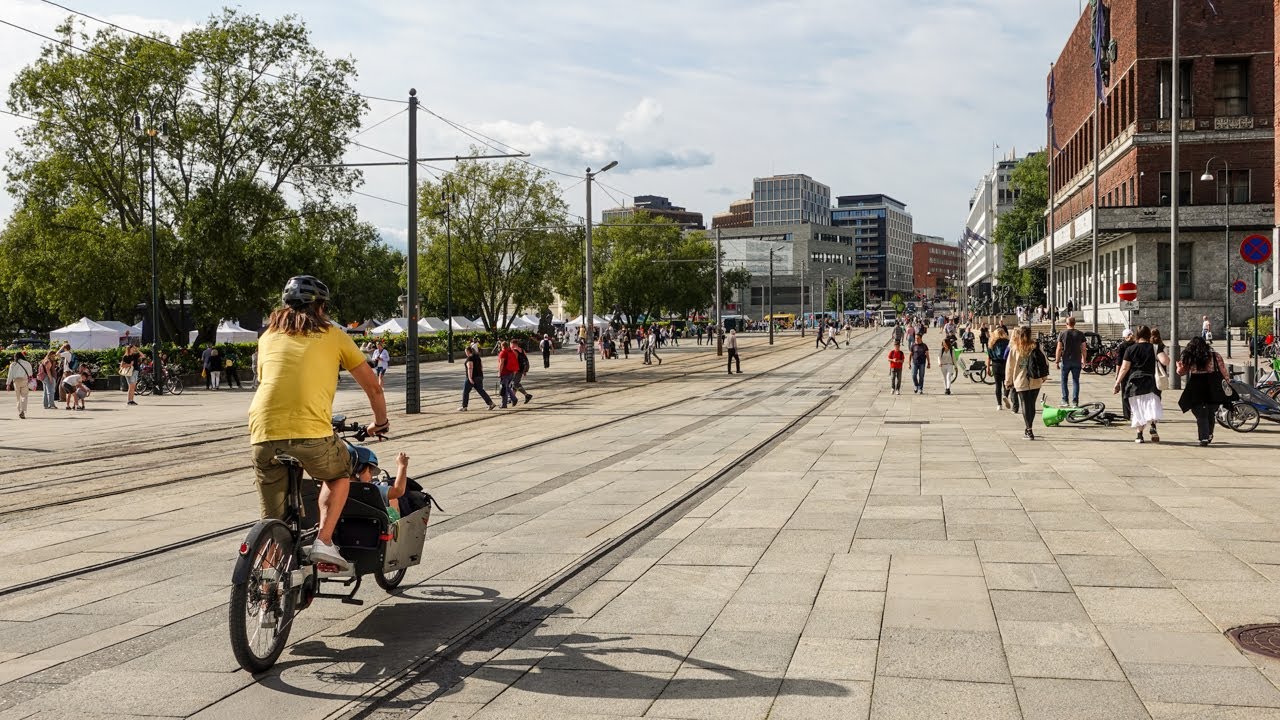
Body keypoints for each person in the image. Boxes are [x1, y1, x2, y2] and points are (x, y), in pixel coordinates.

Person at [248, 275, 389, 571]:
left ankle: (265, 587)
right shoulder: (333, 335)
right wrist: (381, 422)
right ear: (320, 308)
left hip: (262, 432)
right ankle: (324, 540)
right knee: (339, 473)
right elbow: (373, 387)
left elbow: (271, 382)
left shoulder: (267, 337)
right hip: (310, 432)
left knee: (273, 523)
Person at [1113, 325, 1167, 444]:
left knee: (1138, 408)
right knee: (1152, 404)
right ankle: (1153, 425)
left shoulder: (1131, 349)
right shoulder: (1155, 348)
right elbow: (1165, 361)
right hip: (1151, 381)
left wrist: (1117, 383)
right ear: (1149, 335)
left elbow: (1124, 368)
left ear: (1137, 335)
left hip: (1135, 382)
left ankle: (1139, 435)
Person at [1176, 336, 1231, 446]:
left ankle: (1204, 437)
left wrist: (1179, 367)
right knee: (1210, 411)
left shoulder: (1190, 356)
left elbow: (1181, 372)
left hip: (1196, 385)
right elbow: (1223, 371)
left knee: (1200, 412)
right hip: (1212, 385)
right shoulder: (1215, 356)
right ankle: (1208, 434)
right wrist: (1227, 384)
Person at [1005, 325, 1047, 440]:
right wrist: (1044, 375)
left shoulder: (1015, 348)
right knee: (1031, 404)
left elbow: (1010, 366)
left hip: (1020, 380)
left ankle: (1028, 430)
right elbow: (1045, 361)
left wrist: (1008, 381)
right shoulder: (1036, 346)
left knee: (1024, 404)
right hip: (1035, 379)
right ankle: (1029, 427)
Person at [349, 446, 409, 522]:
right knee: (393, 500)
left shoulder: (337, 487)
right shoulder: (369, 490)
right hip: (370, 529)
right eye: (370, 471)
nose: (371, 476)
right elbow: (398, 490)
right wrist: (402, 466)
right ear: (359, 468)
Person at [1055, 316, 1088, 407]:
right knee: (1075, 381)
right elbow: (1084, 349)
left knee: (1064, 380)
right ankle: (1075, 401)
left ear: (1066, 324)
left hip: (1065, 360)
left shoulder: (1062, 334)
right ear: (1074, 323)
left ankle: (1065, 400)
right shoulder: (1080, 334)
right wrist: (1084, 360)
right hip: (1076, 360)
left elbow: (1059, 348)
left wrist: (1057, 361)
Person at [460, 345, 495, 411]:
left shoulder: (470, 358)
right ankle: (491, 403)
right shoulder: (478, 357)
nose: (465, 353)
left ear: (468, 351)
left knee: (465, 392)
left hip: (472, 377)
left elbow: (470, 367)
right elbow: (481, 367)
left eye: (466, 352)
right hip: (479, 376)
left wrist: (470, 378)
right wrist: (481, 375)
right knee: (481, 391)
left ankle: (464, 406)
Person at [987, 327, 1011, 410]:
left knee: (998, 385)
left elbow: (989, 357)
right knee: (1006, 383)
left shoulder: (991, 343)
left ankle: (999, 404)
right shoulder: (1007, 342)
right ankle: (1006, 396)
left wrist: (988, 368)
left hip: (995, 364)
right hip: (1005, 364)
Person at [6, 351, 34, 418]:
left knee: (18, 397)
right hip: (24, 380)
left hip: (16, 381)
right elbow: (30, 374)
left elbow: (10, 375)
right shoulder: (27, 363)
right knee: (24, 396)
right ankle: (22, 411)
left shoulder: (13, 364)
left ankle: (19, 411)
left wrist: (8, 384)